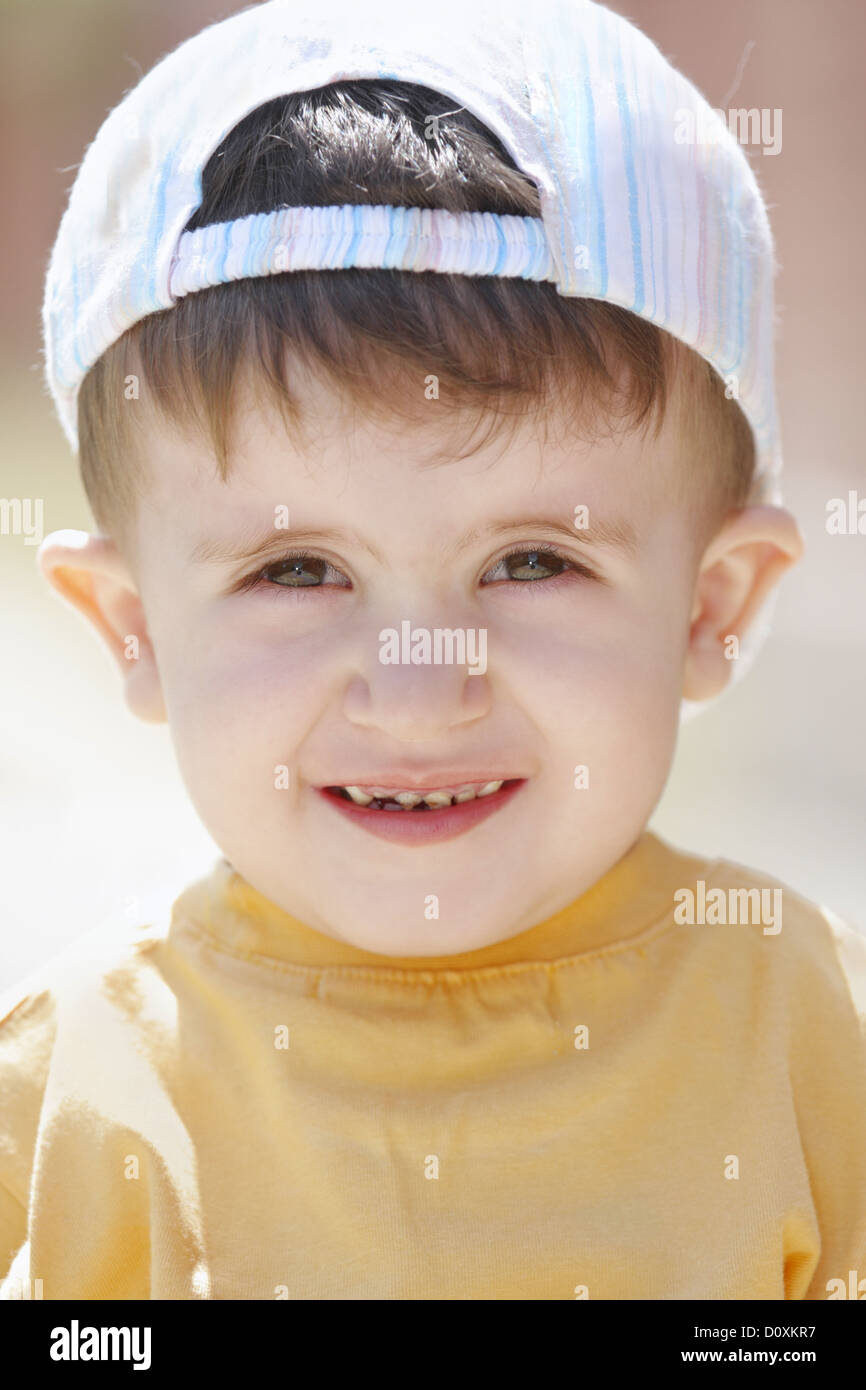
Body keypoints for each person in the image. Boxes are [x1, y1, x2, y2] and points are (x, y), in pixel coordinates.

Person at [2, 0, 864, 1300]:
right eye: (297, 570)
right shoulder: (70, 1100)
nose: (416, 687)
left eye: (532, 561)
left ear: (711, 602)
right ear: (133, 627)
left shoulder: (811, 1039)